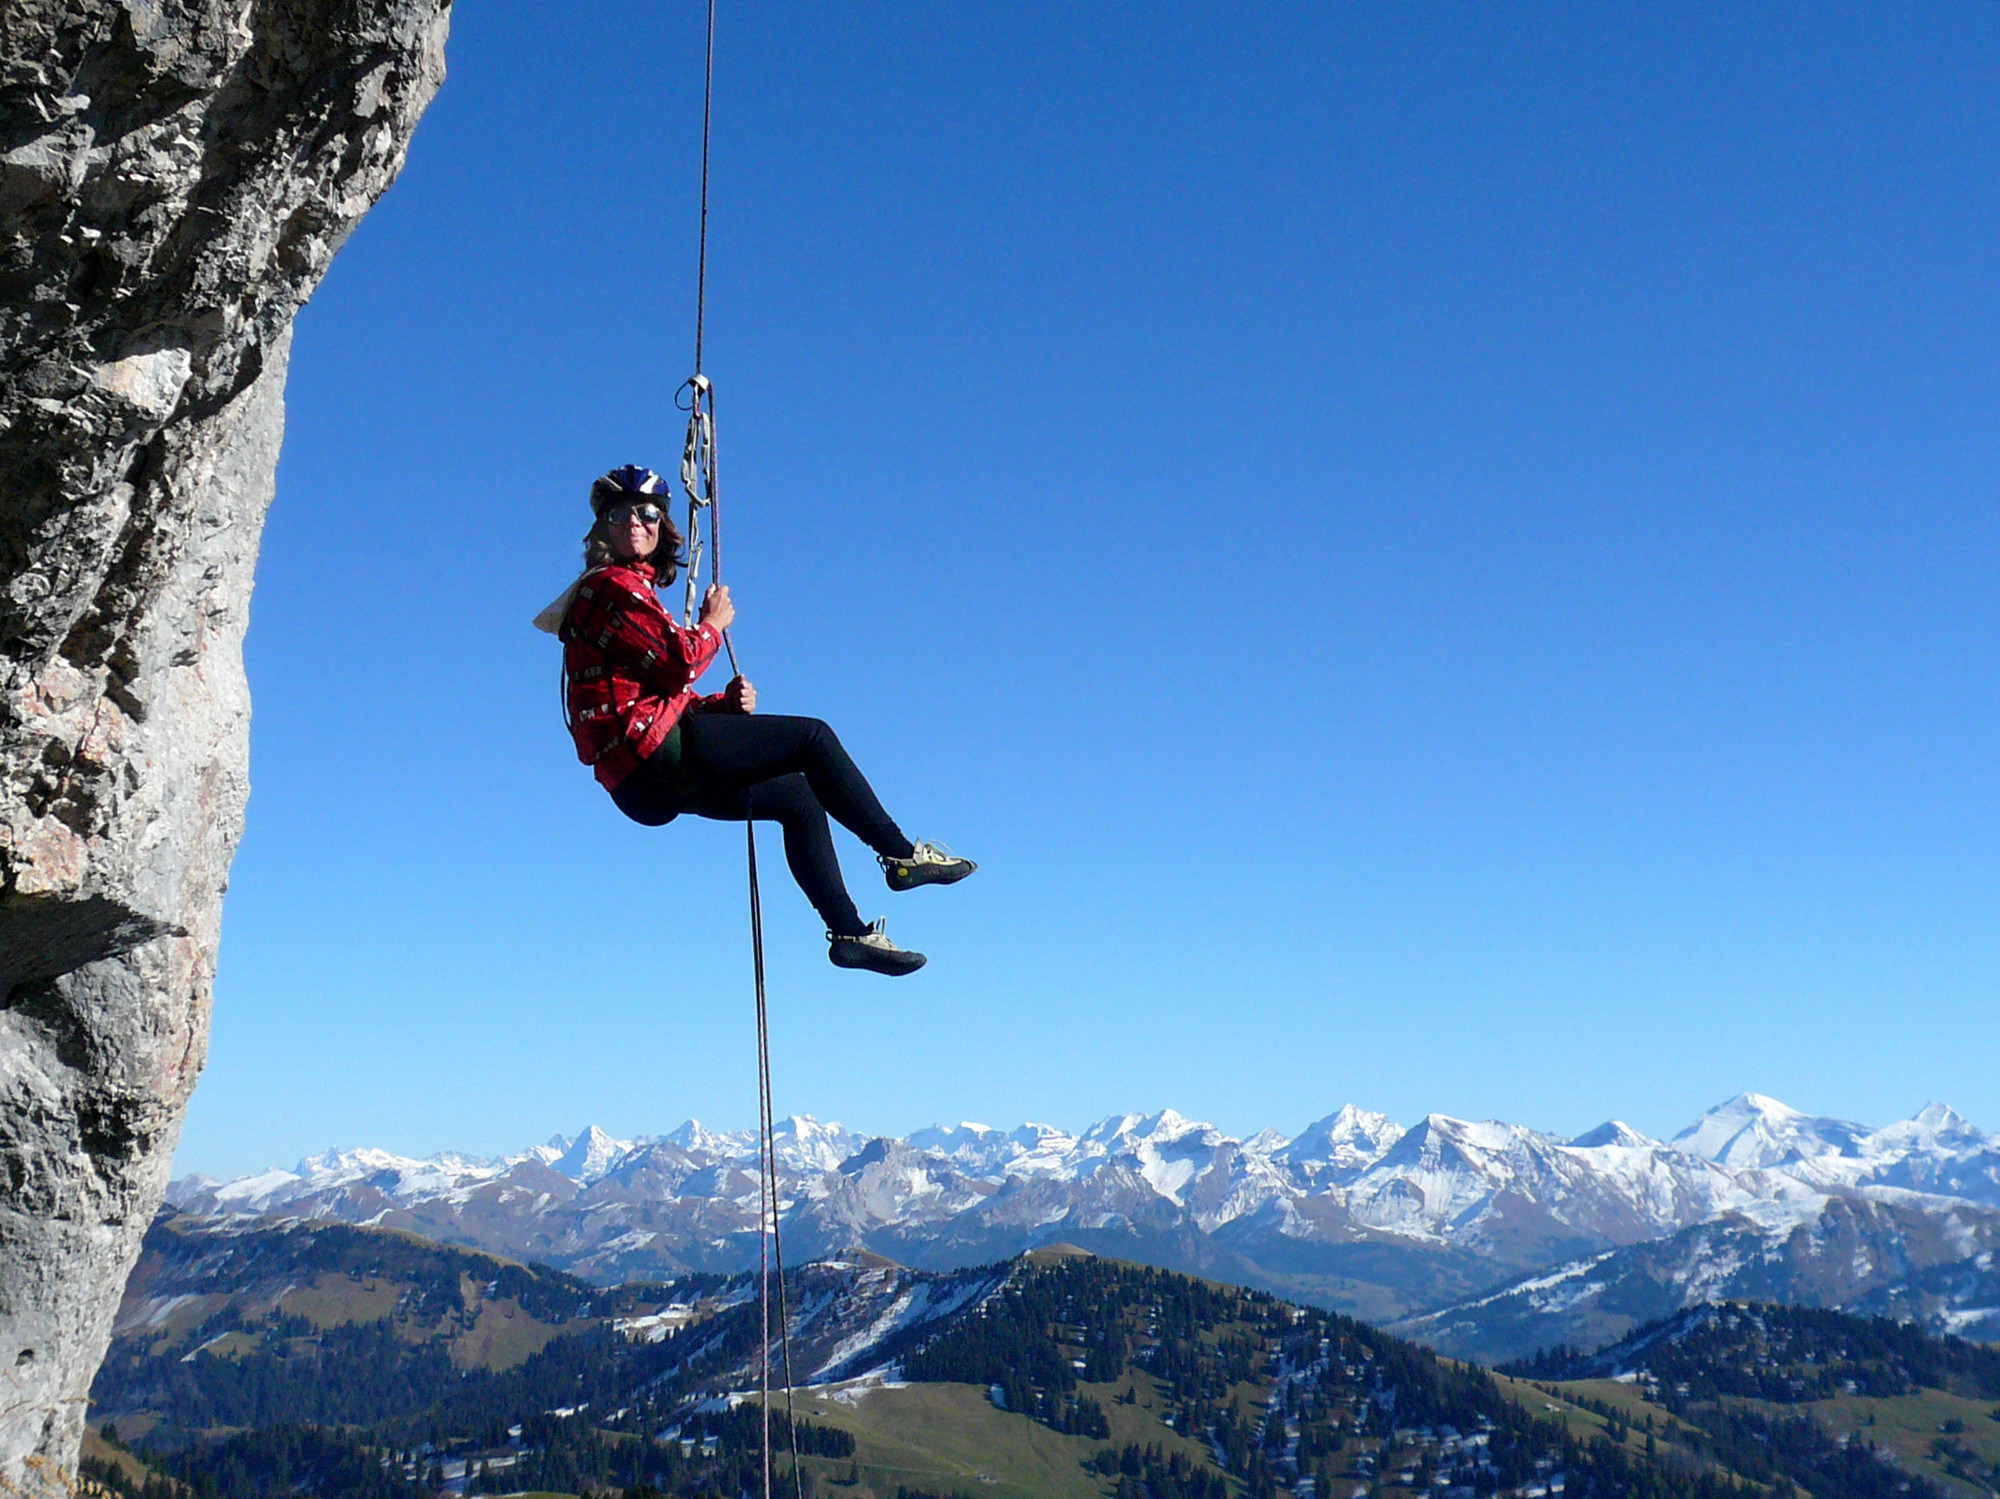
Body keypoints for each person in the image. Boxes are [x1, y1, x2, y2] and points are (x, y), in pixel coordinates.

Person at [538, 465, 973, 975]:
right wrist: (713, 625)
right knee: (812, 737)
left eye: (647, 512)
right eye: (619, 514)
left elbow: (660, 693)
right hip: (653, 757)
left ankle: (851, 935)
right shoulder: (611, 587)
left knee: (797, 799)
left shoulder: (622, 596)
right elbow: (680, 663)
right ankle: (901, 856)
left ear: (661, 527)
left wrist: (721, 705)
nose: (635, 521)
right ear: (602, 530)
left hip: (643, 781)